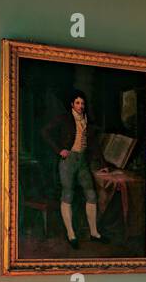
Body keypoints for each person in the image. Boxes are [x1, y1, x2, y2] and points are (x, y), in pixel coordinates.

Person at [41, 90, 105, 249]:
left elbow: (94, 143)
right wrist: (59, 150)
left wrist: (103, 164)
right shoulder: (64, 118)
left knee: (91, 195)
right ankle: (71, 234)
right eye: (77, 103)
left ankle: (94, 233)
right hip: (68, 161)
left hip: (82, 161)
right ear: (72, 104)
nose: (80, 106)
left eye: (82, 103)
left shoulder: (87, 120)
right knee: (67, 195)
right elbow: (45, 132)